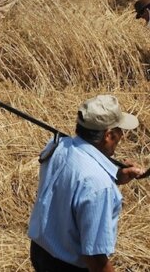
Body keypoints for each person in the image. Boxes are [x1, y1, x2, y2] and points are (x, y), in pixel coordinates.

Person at [27, 94, 145, 271]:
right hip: (68, 266)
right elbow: (95, 258)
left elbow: (73, 181)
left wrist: (116, 175)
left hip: (39, 252)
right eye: (120, 130)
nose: (122, 135)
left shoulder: (56, 145)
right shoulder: (99, 185)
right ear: (109, 135)